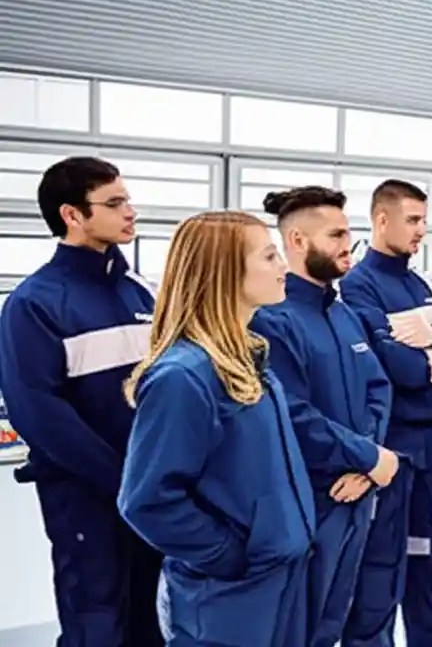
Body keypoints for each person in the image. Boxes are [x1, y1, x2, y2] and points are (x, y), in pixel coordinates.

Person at [115, 210, 316, 646]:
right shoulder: (182, 377)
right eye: (269, 257)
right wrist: (229, 556)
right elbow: (146, 501)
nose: (283, 267)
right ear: (225, 273)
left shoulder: (248, 360)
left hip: (277, 579)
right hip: (228, 596)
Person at [0, 156, 165, 647]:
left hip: (151, 491)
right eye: (114, 203)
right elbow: (41, 416)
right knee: (96, 621)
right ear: (72, 215)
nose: (130, 211)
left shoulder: (146, 294)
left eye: (128, 199)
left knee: (151, 619)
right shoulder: (34, 303)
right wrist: (123, 482)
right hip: (86, 497)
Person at [250, 186, 400, 647]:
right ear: (297, 241)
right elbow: (291, 414)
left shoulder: (342, 313)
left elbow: (379, 388)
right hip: (311, 498)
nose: (347, 244)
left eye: (347, 232)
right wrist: (366, 458)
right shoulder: (272, 320)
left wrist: (367, 461)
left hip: (355, 491)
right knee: (299, 627)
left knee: (336, 618)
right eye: (336, 234)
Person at [339, 180, 432, 647]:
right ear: (382, 220)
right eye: (413, 220)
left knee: (427, 548)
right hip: (391, 445)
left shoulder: (425, 281)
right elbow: (394, 365)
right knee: (381, 559)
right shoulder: (358, 285)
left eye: (423, 220)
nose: (422, 230)